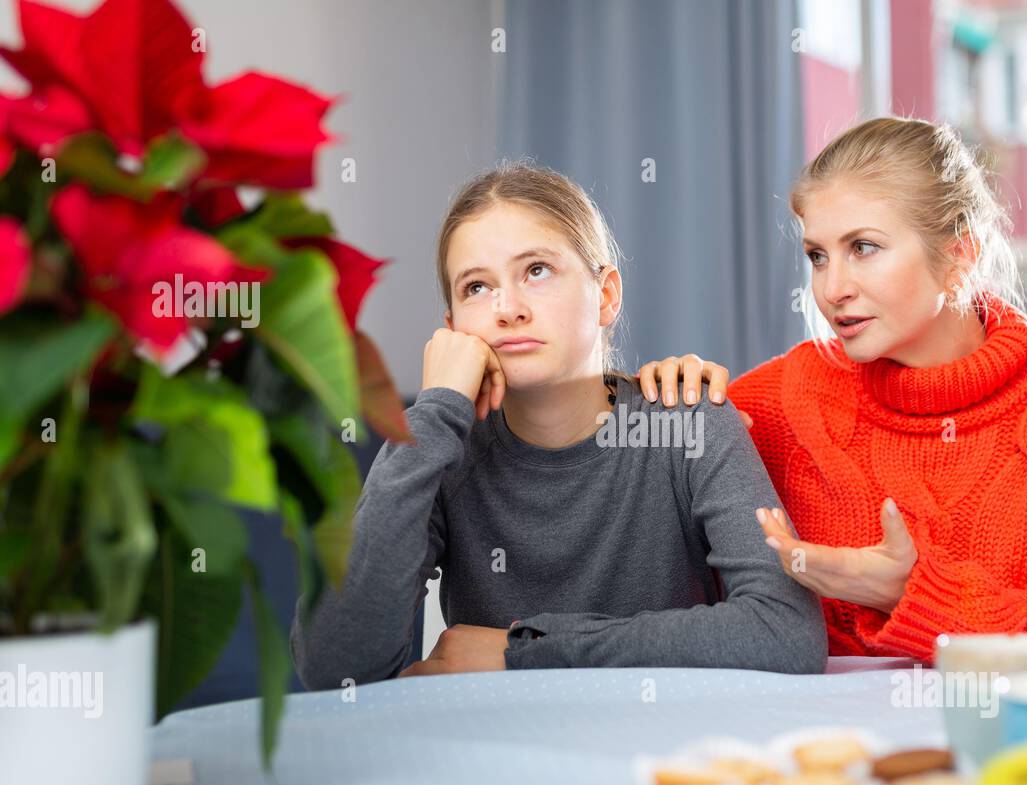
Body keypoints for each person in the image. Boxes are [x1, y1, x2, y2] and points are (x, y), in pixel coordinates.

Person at [638, 117, 1027, 672]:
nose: (832, 289)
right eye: (818, 255)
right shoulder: (774, 401)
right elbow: (661, 595)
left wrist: (913, 594)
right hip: (823, 753)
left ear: (959, 256)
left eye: (864, 247)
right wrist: (663, 410)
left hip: (1021, 746)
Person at [290, 160, 826, 687]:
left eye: (536, 271)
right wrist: (432, 416)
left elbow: (783, 631)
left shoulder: (689, 422)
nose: (508, 308)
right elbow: (334, 667)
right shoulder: (437, 446)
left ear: (606, 295)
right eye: (476, 287)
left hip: (659, 744)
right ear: (451, 327)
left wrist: (526, 649)